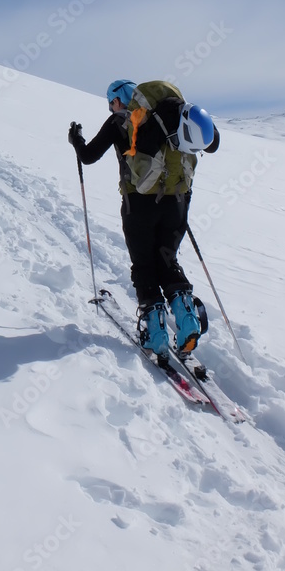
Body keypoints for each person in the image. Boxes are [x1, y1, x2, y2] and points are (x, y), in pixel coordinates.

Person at [68, 79, 220, 360]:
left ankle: (156, 334)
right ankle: (187, 318)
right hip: (178, 201)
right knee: (167, 260)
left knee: (144, 264)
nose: (111, 107)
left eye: (111, 102)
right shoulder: (173, 117)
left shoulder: (119, 121)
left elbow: (88, 156)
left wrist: (75, 139)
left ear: (117, 100)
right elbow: (212, 142)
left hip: (138, 204)